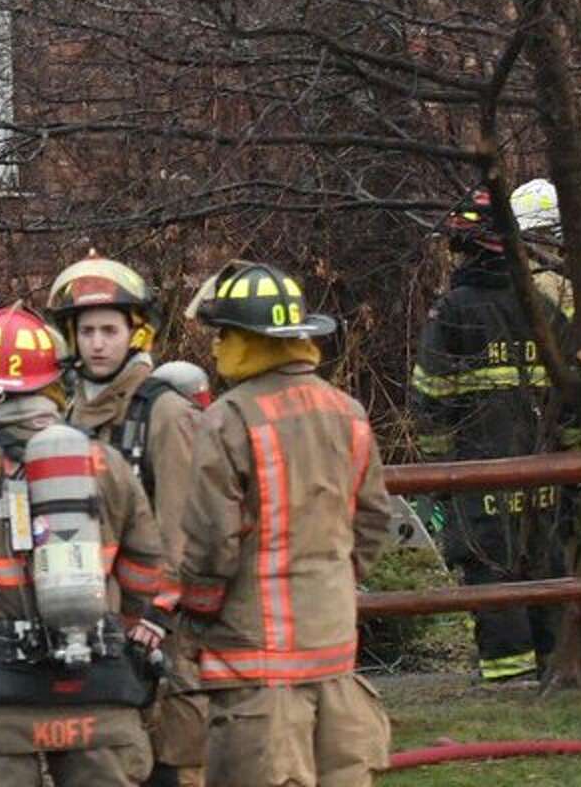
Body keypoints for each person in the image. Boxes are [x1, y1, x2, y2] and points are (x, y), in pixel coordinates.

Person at [0, 302, 173, 787]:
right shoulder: (106, 463)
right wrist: (113, 626)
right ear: (53, 381)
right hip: (101, 688)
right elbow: (148, 566)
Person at [175, 260, 393, 787]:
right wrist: (335, 582)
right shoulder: (348, 412)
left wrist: (196, 617)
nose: (218, 347)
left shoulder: (227, 419)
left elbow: (210, 544)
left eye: (223, 335)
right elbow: (374, 520)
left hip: (258, 667)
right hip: (335, 649)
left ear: (245, 340)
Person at [47, 259, 206, 787]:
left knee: (171, 755)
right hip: (93, 613)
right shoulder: (67, 417)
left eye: (109, 330)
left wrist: (158, 614)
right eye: (87, 331)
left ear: (134, 333)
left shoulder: (164, 413)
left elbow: (185, 524)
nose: (97, 344)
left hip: (160, 623)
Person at [411, 187, 573, 683]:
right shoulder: (545, 308)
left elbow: (430, 400)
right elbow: (576, 395)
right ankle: (554, 667)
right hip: (546, 472)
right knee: (547, 564)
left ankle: (507, 676)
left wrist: (441, 474)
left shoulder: (454, 311)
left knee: (490, 569)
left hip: (481, 475)